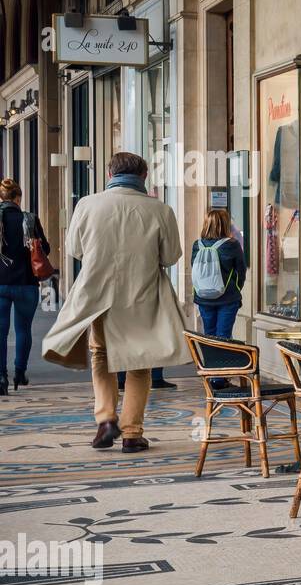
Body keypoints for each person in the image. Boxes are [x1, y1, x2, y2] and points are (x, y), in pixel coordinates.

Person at [42, 152, 189, 452]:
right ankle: (133, 433)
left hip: (98, 294)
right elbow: (171, 256)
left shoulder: (88, 204)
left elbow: (73, 248)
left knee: (100, 355)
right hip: (142, 294)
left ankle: (106, 420)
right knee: (140, 362)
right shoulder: (159, 209)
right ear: (144, 177)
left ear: (110, 173)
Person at [0, 178, 50, 395]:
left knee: (0, 332)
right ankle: (20, 372)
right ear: (18, 198)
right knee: (23, 330)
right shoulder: (29, 218)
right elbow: (45, 249)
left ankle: (1, 376)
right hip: (26, 283)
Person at [191, 208, 247, 389]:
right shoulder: (231, 244)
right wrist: (235, 289)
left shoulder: (197, 245)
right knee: (224, 336)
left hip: (204, 298)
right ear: (225, 224)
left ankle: (212, 376)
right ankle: (220, 378)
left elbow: (195, 269)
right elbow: (241, 271)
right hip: (227, 298)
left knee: (209, 335)